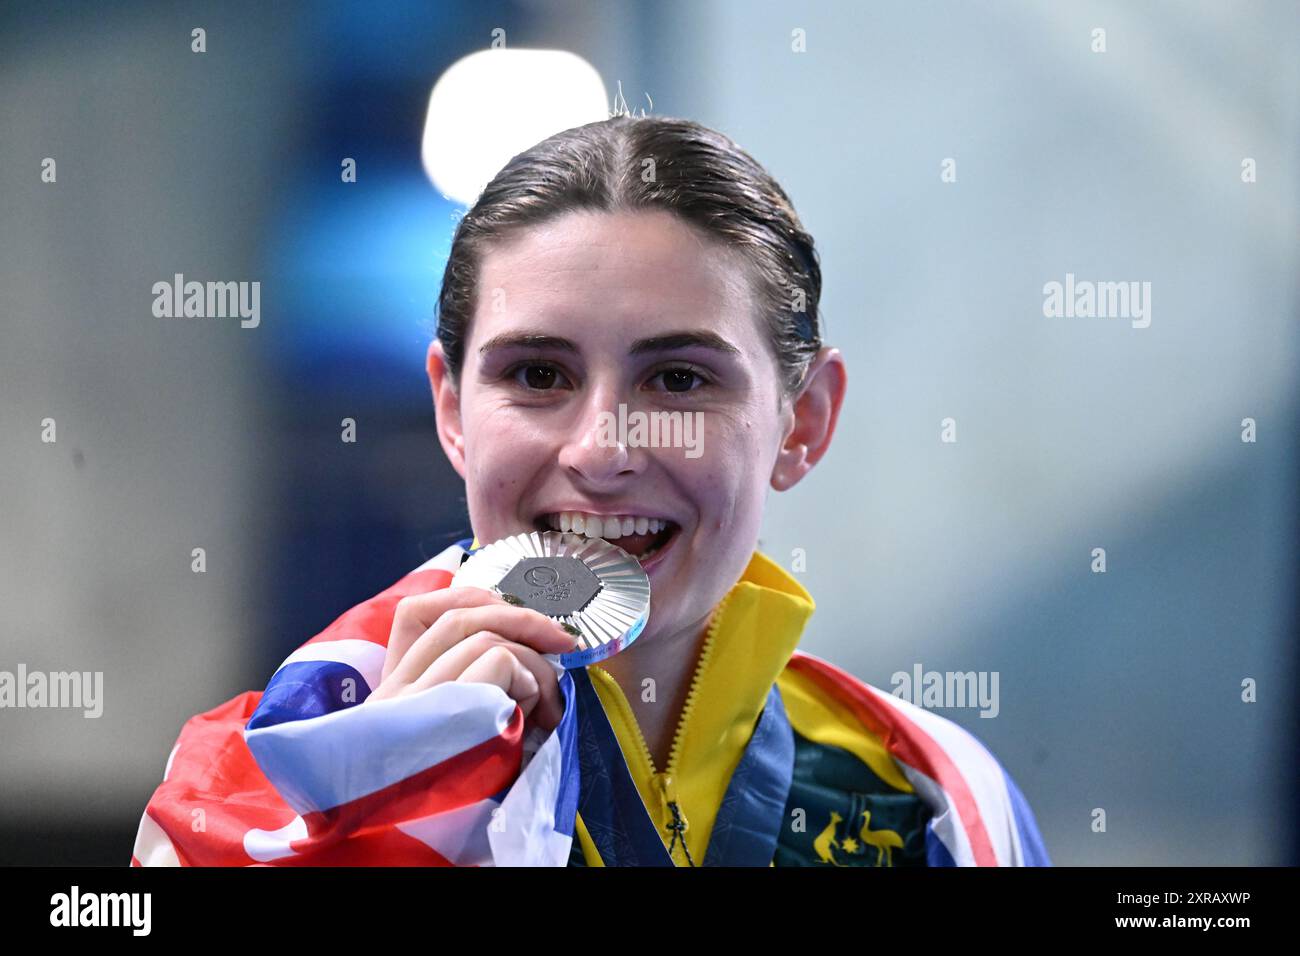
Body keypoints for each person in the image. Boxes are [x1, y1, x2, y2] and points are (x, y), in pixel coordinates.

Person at [131, 114, 1050, 867]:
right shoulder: (250, 794)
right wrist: (381, 830)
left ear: (800, 422)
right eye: (537, 375)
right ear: (452, 410)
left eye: (680, 380)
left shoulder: (932, 800)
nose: (601, 451)